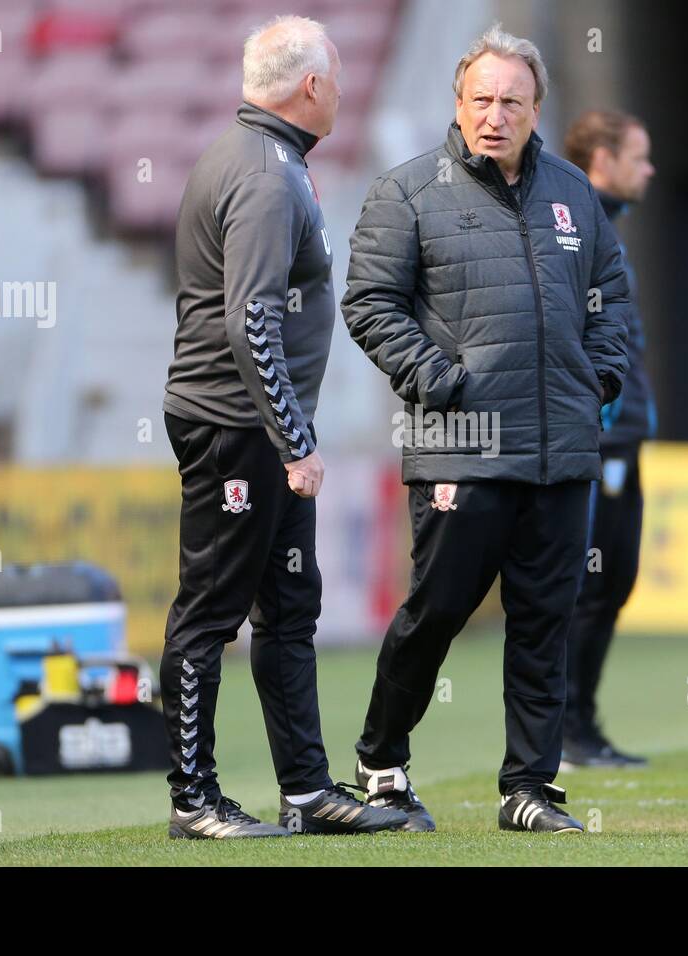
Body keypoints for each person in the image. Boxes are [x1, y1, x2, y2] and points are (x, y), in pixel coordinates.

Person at [342, 24, 631, 833]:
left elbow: (609, 292)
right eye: (481, 100)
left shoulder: (574, 192)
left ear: (537, 109)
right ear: (458, 104)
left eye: (511, 101)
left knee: (544, 623)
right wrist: (438, 380)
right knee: (436, 613)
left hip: (562, 446)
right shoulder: (405, 192)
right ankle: (382, 762)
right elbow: (367, 303)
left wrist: (596, 374)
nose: (494, 115)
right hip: (461, 446)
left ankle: (528, 789)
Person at [161, 15, 406, 839]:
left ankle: (305, 791)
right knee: (210, 610)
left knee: (290, 604)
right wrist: (294, 440)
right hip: (237, 426)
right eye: (333, 77)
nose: (340, 90)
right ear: (309, 86)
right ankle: (193, 800)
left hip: (257, 425)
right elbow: (250, 320)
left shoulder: (264, 158)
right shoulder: (266, 174)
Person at [560, 109, 658, 768]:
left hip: (620, 440)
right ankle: (566, 731)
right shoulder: (577, 228)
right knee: (589, 581)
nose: (648, 169)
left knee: (610, 580)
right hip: (598, 442)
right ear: (604, 159)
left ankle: (579, 726)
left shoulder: (604, 229)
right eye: (639, 156)